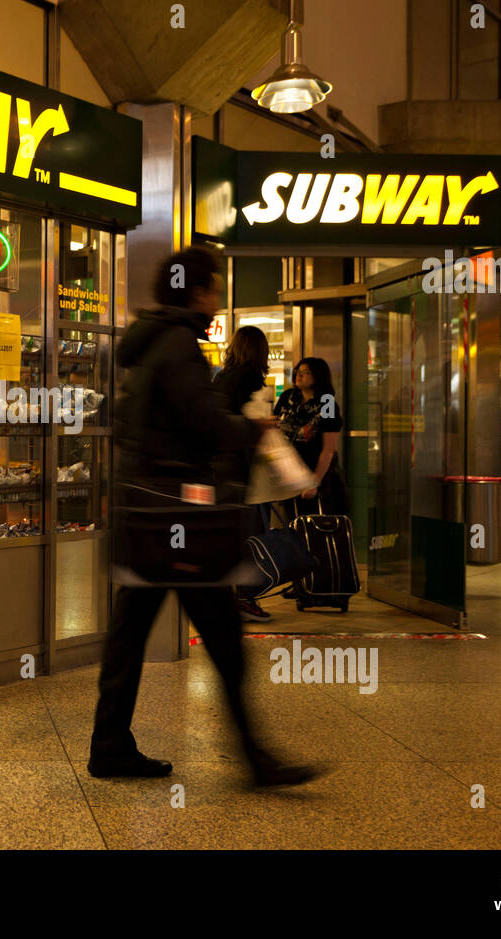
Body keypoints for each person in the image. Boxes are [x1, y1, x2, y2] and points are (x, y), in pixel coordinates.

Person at [89, 246, 323, 789]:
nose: (216, 296)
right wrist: (255, 430)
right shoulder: (178, 347)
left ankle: (110, 747)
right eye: (213, 286)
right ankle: (256, 759)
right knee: (222, 637)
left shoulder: (148, 345)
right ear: (196, 291)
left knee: (128, 638)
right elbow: (204, 425)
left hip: (147, 515)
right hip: (182, 524)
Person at [214, 325, 274, 622]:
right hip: (244, 468)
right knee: (251, 534)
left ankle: (228, 597)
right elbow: (257, 425)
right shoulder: (250, 379)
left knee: (229, 534)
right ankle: (245, 597)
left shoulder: (222, 377)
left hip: (221, 468)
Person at [273, 356, 349, 522]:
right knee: (291, 522)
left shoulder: (327, 403)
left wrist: (315, 480)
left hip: (315, 469)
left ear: (318, 376)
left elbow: (328, 449)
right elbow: (274, 425)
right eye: (298, 371)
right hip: (289, 470)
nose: (299, 376)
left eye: (305, 372)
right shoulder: (288, 397)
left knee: (315, 523)